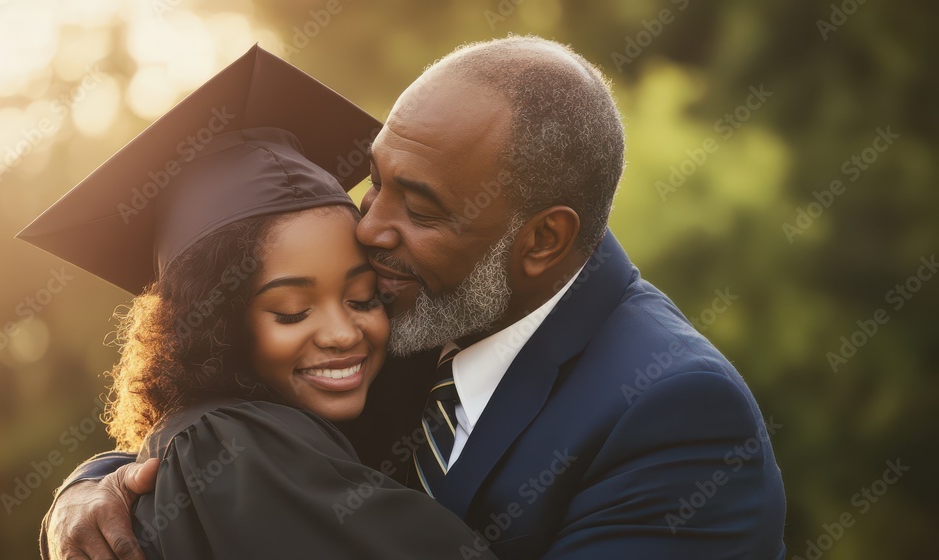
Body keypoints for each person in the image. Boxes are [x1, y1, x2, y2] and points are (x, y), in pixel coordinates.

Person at [43, 37, 788, 559]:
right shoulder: (405, 317)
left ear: (542, 239)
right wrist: (90, 493)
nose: (369, 227)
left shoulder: (676, 412)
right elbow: (236, 421)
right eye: (376, 182)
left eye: (421, 208)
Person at [21, 47, 496, 559]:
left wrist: (86, 478)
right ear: (216, 327)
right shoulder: (232, 448)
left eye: (362, 299)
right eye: (292, 311)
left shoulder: (240, 435)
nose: (342, 333)